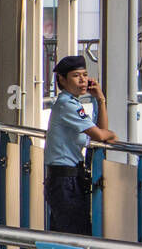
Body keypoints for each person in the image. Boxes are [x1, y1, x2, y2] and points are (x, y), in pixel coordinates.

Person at [44, 55, 117, 236]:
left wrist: (100, 99)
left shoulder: (72, 103)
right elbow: (101, 135)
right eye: (76, 75)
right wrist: (112, 135)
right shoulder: (67, 105)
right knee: (75, 235)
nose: (83, 80)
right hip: (65, 180)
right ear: (62, 79)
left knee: (70, 233)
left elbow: (100, 131)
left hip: (70, 177)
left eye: (85, 75)